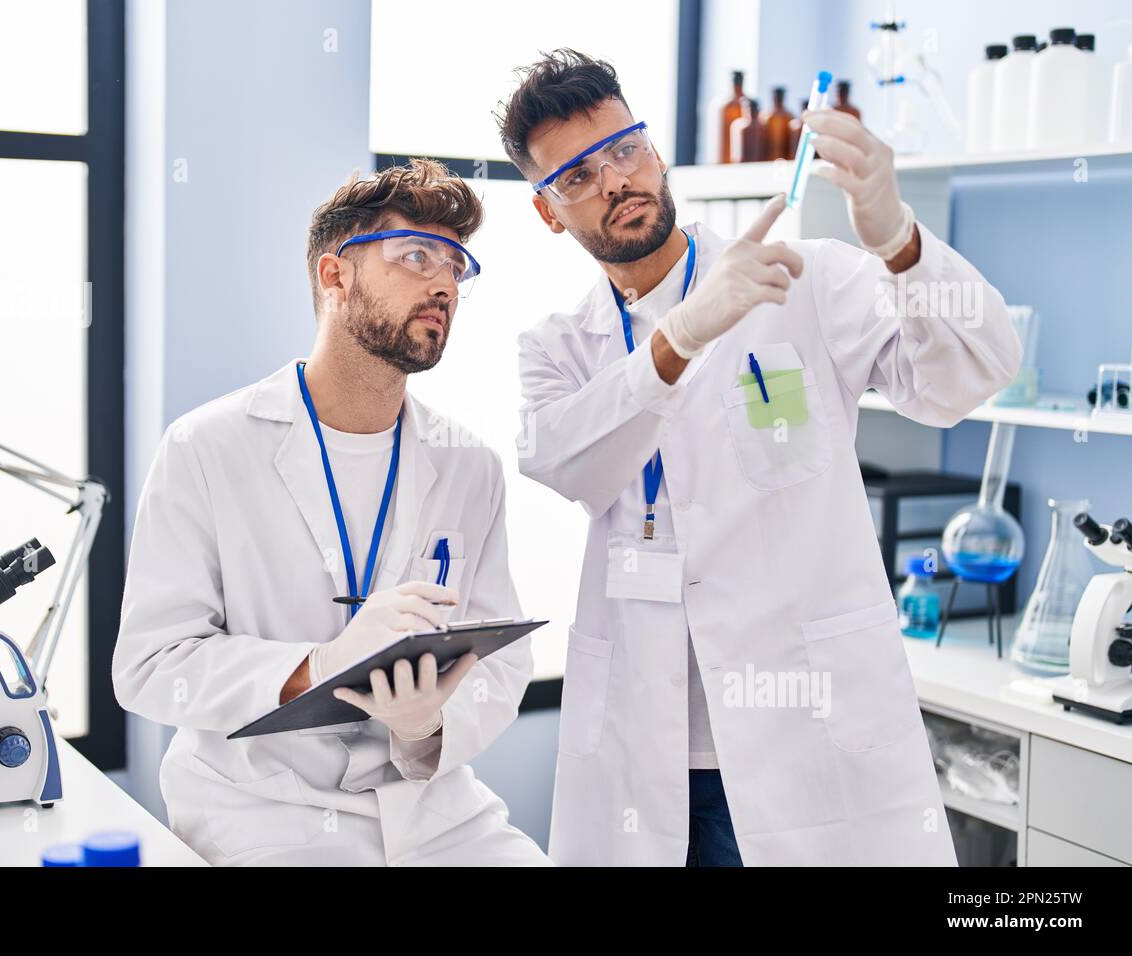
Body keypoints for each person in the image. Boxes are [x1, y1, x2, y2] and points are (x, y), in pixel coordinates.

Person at [496, 50, 1021, 866]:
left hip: (810, 741)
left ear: (654, 149)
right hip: (654, 757)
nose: (615, 181)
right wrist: (681, 336)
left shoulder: (808, 280)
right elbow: (563, 459)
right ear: (546, 211)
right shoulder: (558, 347)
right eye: (578, 176)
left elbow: (970, 374)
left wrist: (900, 241)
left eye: (625, 149)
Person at [113, 159, 547, 866]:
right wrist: (319, 667)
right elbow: (152, 665)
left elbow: (502, 661)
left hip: (431, 812)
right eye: (416, 256)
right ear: (334, 276)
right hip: (263, 807)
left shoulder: (469, 464)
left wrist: (426, 725)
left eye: (456, 265)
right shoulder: (208, 447)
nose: (443, 282)